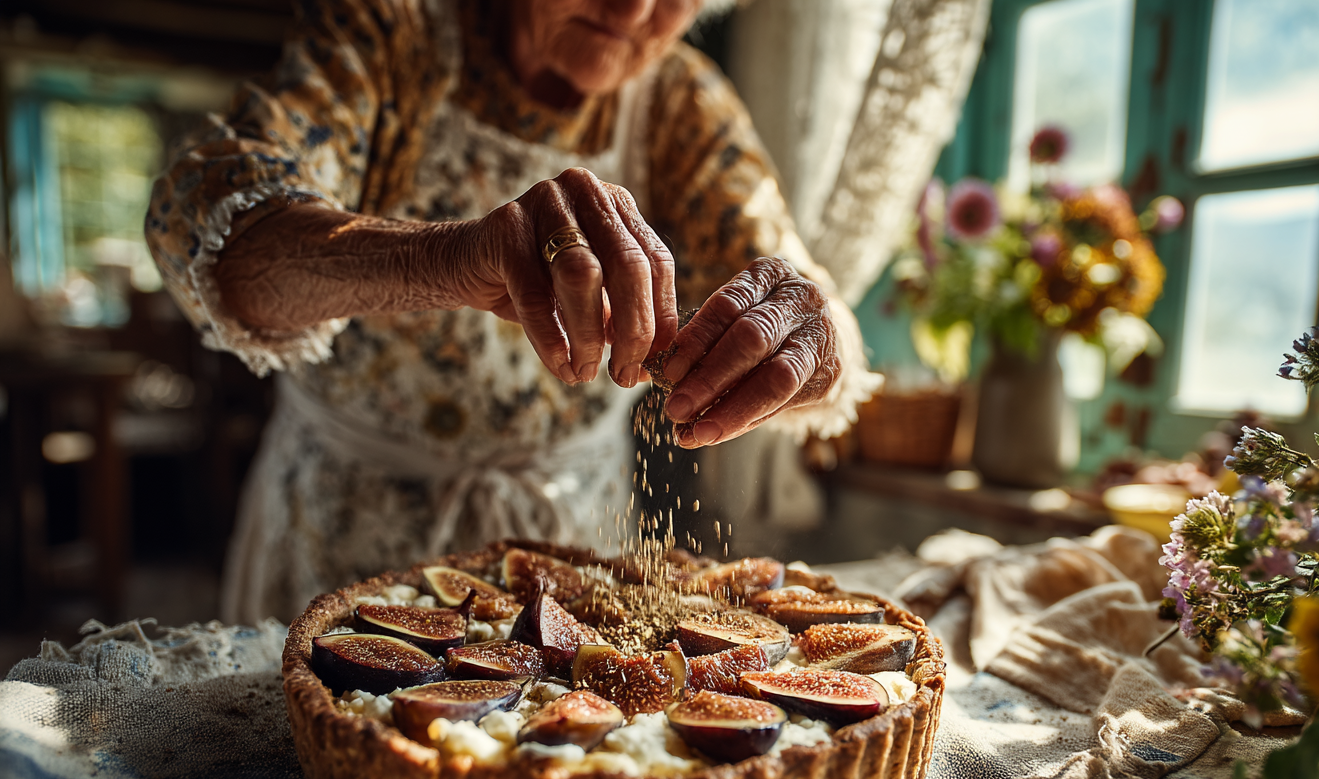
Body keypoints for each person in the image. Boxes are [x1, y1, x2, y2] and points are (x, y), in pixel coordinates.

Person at [145, 0, 882, 623]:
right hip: (344, 531)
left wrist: (814, 338)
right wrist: (441, 259)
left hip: (571, 548)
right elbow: (214, 235)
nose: (632, 12)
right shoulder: (389, 35)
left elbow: (809, 302)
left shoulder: (680, 100)